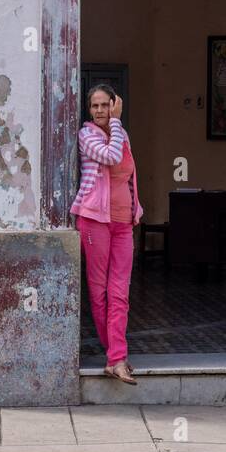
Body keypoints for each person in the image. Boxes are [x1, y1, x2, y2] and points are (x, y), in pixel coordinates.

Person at [71, 84, 143, 384]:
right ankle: (116, 356)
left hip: (123, 222)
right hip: (94, 220)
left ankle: (116, 357)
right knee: (98, 291)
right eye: (95, 106)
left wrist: (137, 208)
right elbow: (112, 158)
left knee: (120, 292)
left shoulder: (122, 135)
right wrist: (116, 121)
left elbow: (128, 175)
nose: (100, 111)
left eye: (105, 105)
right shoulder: (86, 135)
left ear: (115, 103)